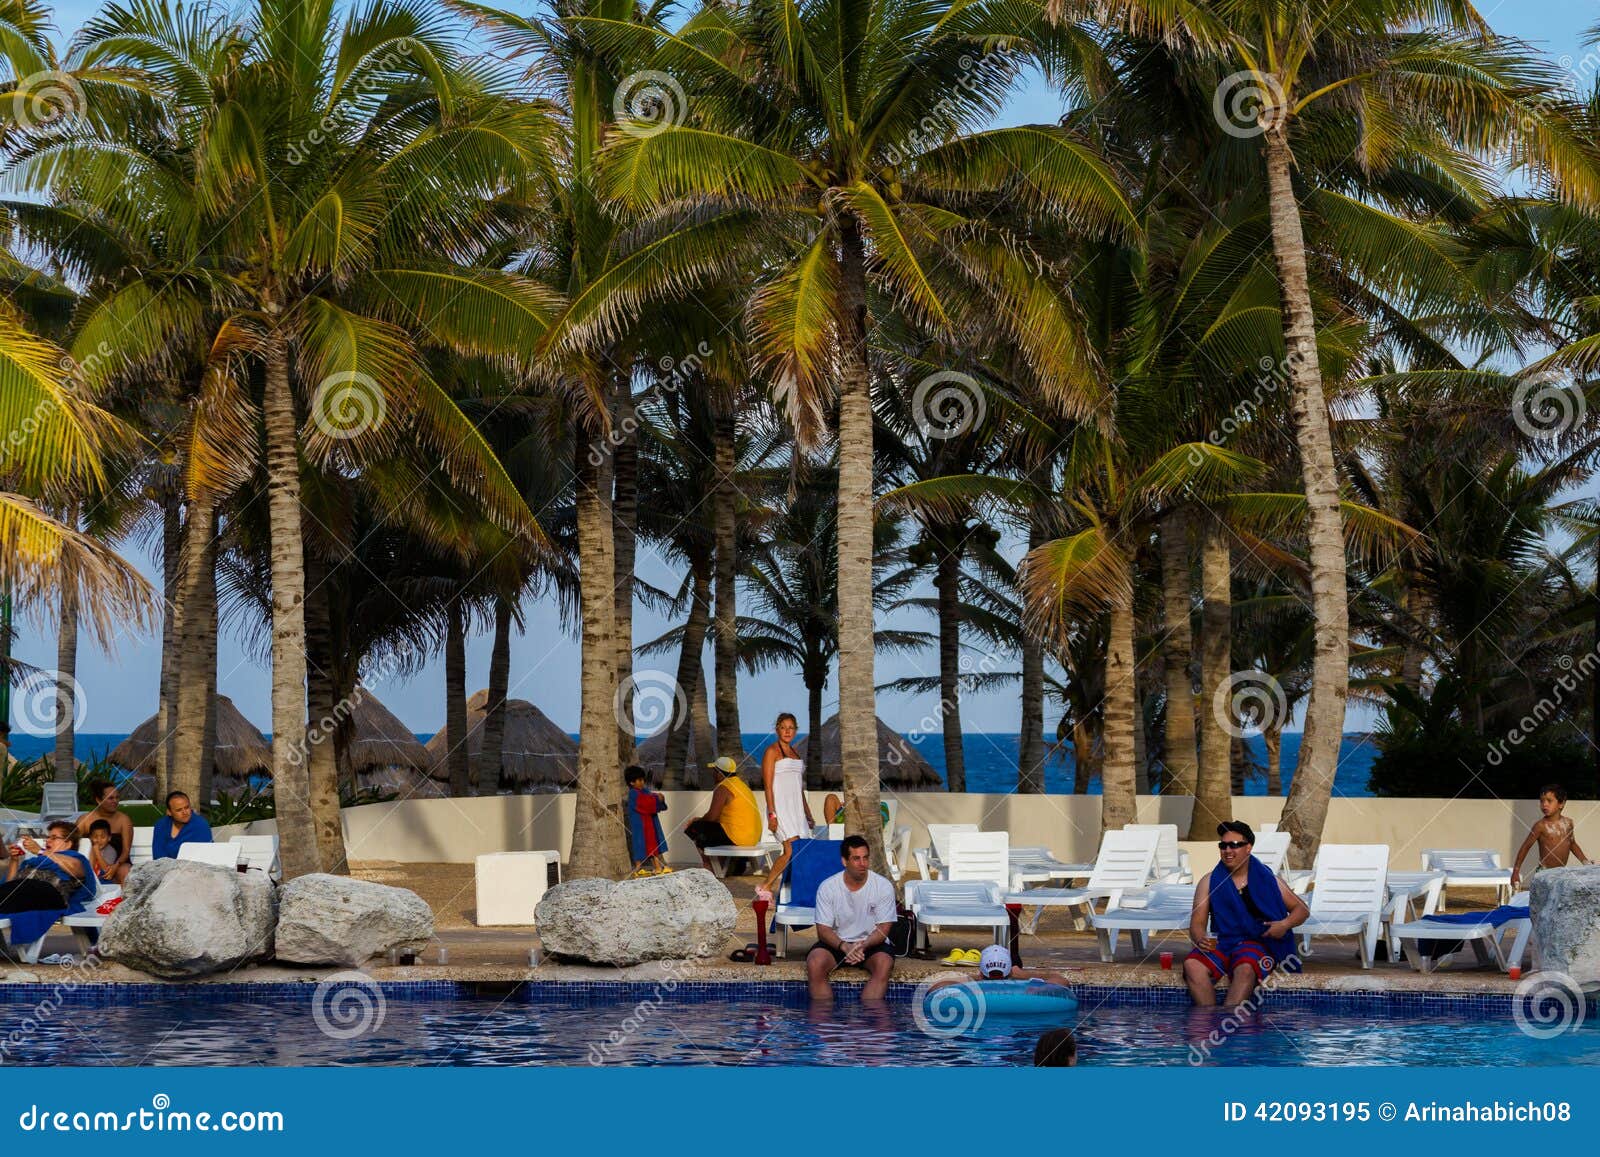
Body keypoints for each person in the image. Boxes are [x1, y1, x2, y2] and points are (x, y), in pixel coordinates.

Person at [1184, 821, 1308, 1008]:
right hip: (1225, 941)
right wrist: (1200, 937)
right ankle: (1209, 1019)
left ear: (1248, 847)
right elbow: (1197, 922)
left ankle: (1229, 1020)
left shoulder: (1269, 880)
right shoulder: (1209, 881)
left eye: (1234, 845)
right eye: (1223, 845)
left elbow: (1302, 910)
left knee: (1246, 968)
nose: (1227, 850)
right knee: (1192, 965)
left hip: (1259, 942)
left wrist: (1284, 925)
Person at [806, 835, 897, 1002]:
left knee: (884, 964)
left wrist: (863, 945)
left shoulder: (883, 886)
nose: (863, 864)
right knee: (815, 962)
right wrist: (844, 946)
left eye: (865, 858)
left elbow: (884, 928)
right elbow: (823, 930)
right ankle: (824, 1020)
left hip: (871, 944)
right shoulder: (828, 887)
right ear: (844, 861)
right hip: (837, 943)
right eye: (856, 859)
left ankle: (868, 1017)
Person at [0, 821, 94, 950]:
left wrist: (40, 850)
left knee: (25, 888)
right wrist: (14, 861)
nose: (48, 841)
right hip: (22, 893)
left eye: (54, 838)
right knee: (13, 890)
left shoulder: (75, 858)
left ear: (68, 842)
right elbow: (9, 885)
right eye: (48, 837)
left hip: (50, 894)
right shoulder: (32, 861)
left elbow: (75, 870)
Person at [758, 713, 812, 897]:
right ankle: (765, 887)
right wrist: (772, 814)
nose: (787, 731)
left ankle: (789, 892)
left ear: (795, 730)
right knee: (789, 850)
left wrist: (808, 813)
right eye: (783, 727)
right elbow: (767, 785)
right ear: (777, 729)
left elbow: (799, 788)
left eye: (791, 727)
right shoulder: (771, 751)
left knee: (801, 851)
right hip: (780, 808)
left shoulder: (795, 753)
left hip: (796, 810)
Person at [684, 756, 763, 870]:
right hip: (753, 838)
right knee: (711, 829)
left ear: (719, 774)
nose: (713, 774)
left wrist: (698, 820)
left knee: (694, 827)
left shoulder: (723, 787)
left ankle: (710, 866)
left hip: (738, 837)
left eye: (714, 771)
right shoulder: (741, 785)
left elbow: (712, 817)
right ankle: (731, 864)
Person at [1511, 783, 1591, 890]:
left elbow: (1572, 844)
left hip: (1561, 872)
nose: (1544, 804)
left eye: (1549, 800)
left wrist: (1586, 862)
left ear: (1561, 803)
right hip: (1544, 873)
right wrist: (1516, 871)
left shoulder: (1568, 823)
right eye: (1542, 801)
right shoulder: (1540, 826)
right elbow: (1525, 847)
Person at [927, 943, 1080, 990]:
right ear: (1011, 970)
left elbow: (935, 988)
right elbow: (1062, 982)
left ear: (981, 972)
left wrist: (973, 978)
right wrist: (1023, 974)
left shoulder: (974, 988)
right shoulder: (1023, 987)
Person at [71, 779, 134, 882]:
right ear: (99, 800)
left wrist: (115, 866)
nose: (115, 801)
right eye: (110, 798)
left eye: (117, 797)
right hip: (92, 863)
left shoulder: (124, 820)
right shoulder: (85, 820)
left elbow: (126, 850)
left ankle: (124, 898)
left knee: (125, 872)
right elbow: (72, 843)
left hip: (118, 862)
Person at [624, 766, 670, 876]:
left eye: (643, 780)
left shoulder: (643, 791)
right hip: (640, 824)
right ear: (631, 782)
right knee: (641, 845)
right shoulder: (633, 793)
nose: (642, 782)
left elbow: (650, 797)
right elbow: (644, 803)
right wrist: (657, 799)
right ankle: (641, 868)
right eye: (639, 780)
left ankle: (655, 867)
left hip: (649, 823)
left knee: (652, 845)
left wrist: (659, 798)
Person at [151, 791, 213, 860]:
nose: (184, 812)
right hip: (166, 868)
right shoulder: (161, 825)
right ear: (169, 812)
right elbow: (158, 856)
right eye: (179, 810)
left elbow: (204, 856)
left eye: (187, 807)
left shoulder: (200, 825)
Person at [86, 819, 122, 885]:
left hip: (104, 881)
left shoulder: (111, 851)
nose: (99, 840)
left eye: (103, 837)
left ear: (109, 838)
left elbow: (106, 870)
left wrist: (97, 852)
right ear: (90, 837)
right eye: (95, 837)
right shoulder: (88, 847)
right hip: (90, 879)